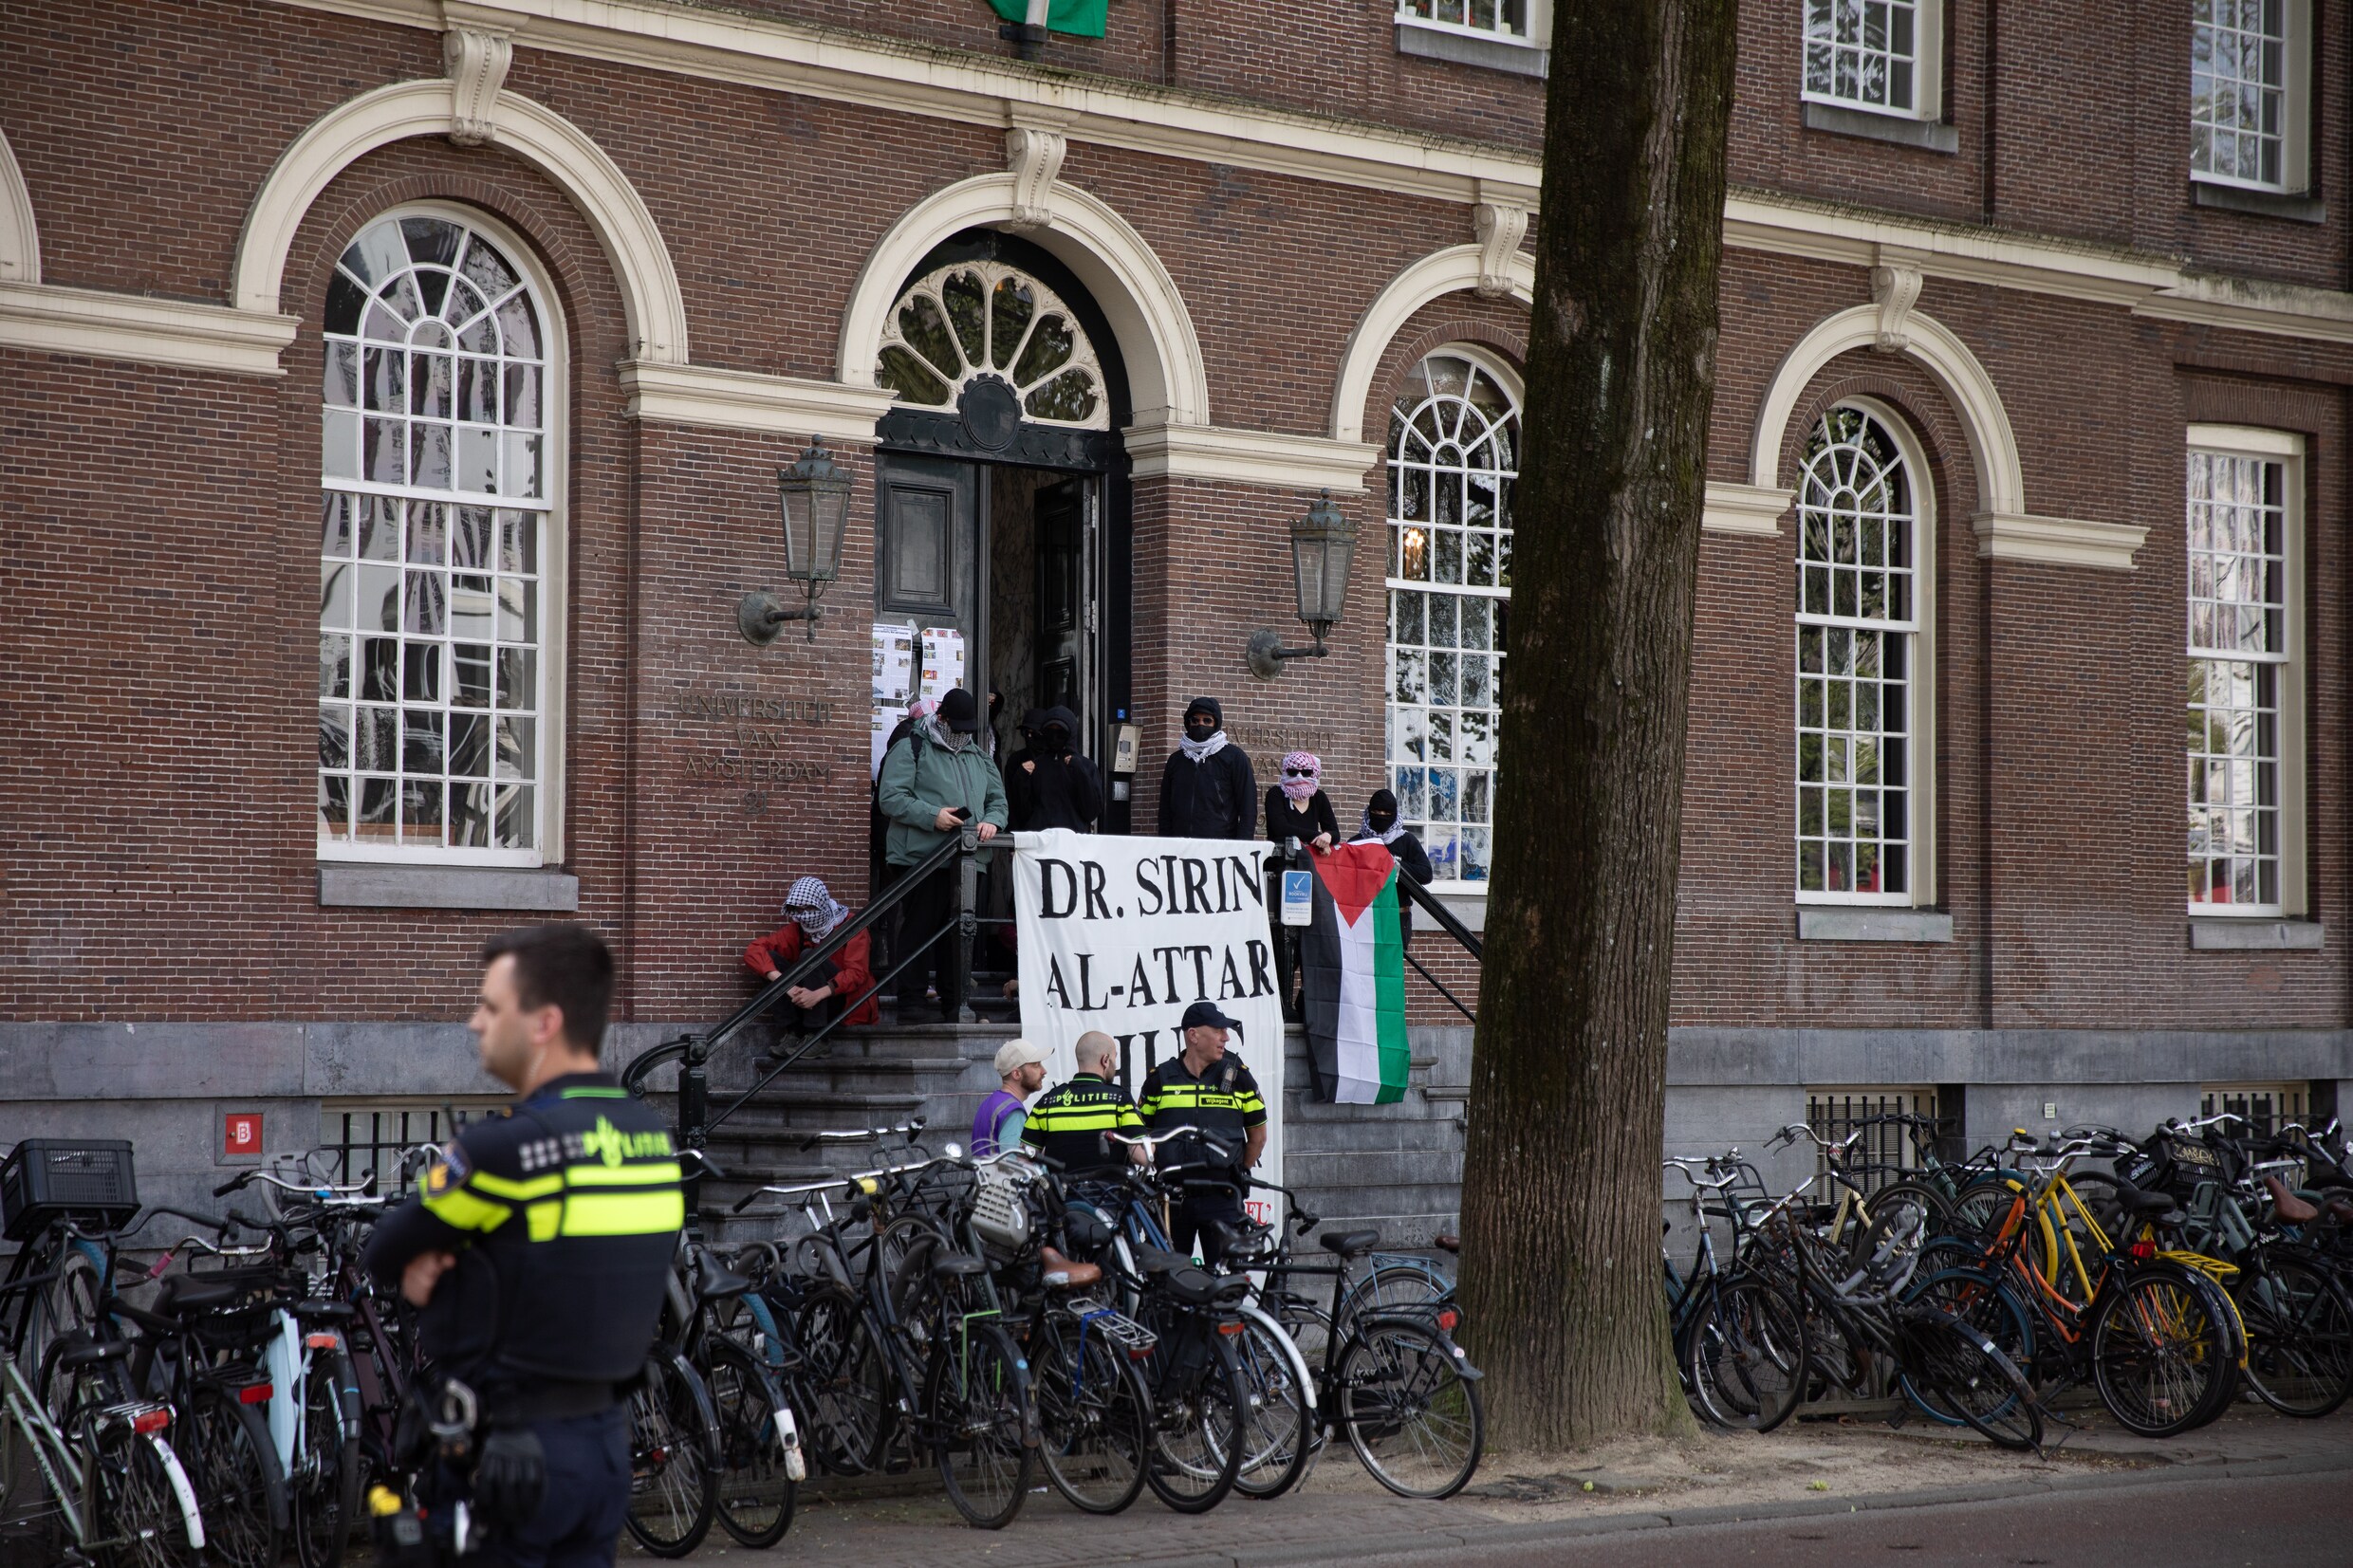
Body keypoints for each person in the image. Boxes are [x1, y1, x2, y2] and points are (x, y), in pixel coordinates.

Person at [361, 924, 682, 1568]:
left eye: (491, 1006)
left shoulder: (503, 1151)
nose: (475, 1022)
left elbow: (383, 1252)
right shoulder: (652, 1141)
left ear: (544, 1023)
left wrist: (449, 1268)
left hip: (507, 1462)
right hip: (602, 1451)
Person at [877, 687, 1009, 1020]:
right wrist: (932, 816)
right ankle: (912, 1003)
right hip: (922, 858)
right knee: (918, 930)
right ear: (942, 717)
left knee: (959, 934)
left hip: (968, 860)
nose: (963, 734)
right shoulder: (911, 748)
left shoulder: (979, 756)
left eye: (969, 729)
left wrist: (992, 822)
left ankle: (956, 1005)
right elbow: (890, 797)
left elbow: (998, 801)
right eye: (958, 726)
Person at [1136, 1001, 1268, 1267]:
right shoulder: (1159, 1079)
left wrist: (1236, 1171)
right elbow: (1142, 1135)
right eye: (1218, 1030)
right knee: (1166, 1285)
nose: (1226, 1037)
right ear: (1193, 1035)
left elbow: (1258, 1136)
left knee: (1227, 1286)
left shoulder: (1239, 1078)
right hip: (1171, 1199)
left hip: (1222, 1197)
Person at [742, 876, 880, 1042]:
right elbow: (754, 950)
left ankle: (817, 1037)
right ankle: (794, 1032)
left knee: (809, 956)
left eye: (808, 909)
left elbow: (857, 974)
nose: (804, 916)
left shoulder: (852, 926)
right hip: (805, 999)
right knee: (770, 960)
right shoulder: (799, 929)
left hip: (842, 1000)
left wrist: (818, 994)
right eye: (798, 910)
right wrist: (786, 985)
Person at [1021, 1031, 1149, 1177]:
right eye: (1114, 1058)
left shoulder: (1046, 1103)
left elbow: (1024, 1158)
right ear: (1105, 1060)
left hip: (1062, 1197)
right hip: (1112, 1196)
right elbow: (1142, 1156)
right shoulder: (1120, 1100)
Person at [1156, 696, 1256, 839]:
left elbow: (1247, 806)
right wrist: (1165, 841)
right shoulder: (1176, 760)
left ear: (1216, 722)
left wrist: (1243, 846)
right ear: (1188, 722)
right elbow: (1165, 808)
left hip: (1221, 846)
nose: (1200, 724)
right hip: (1180, 845)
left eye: (1207, 720)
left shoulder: (1234, 757)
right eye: (1195, 720)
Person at [1352, 787, 1434, 945]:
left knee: (1393, 966)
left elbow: (1426, 874)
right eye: (1377, 812)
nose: (1382, 817)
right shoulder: (1357, 842)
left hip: (1397, 917)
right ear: (1370, 812)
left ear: (1394, 813)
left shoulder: (1406, 841)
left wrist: (1395, 865)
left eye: (1386, 813)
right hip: (1365, 917)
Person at [1006, 704, 1102, 833]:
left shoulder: (1086, 766)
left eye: (1060, 733)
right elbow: (1023, 811)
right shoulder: (1036, 766)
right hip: (1040, 842)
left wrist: (1079, 772)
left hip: (1073, 844)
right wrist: (1021, 779)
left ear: (1070, 733)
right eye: (1050, 732)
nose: (1055, 738)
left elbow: (1092, 811)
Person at [974, 1039, 1048, 1155]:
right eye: (1036, 1065)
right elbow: (1015, 1167)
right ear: (1016, 1074)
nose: (1044, 1071)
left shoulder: (990, 1102)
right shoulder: (1013, 1112)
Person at [1263, 749, 1338, 855]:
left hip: (1312, 857)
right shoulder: (1276, 794)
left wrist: (1327, 836)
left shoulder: (1319, 797)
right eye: (1293, 772)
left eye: (1306, 773)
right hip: (1282, 857)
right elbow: (1280, 829)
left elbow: (1334, 832)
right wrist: (1316, 836)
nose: (1299, 777)